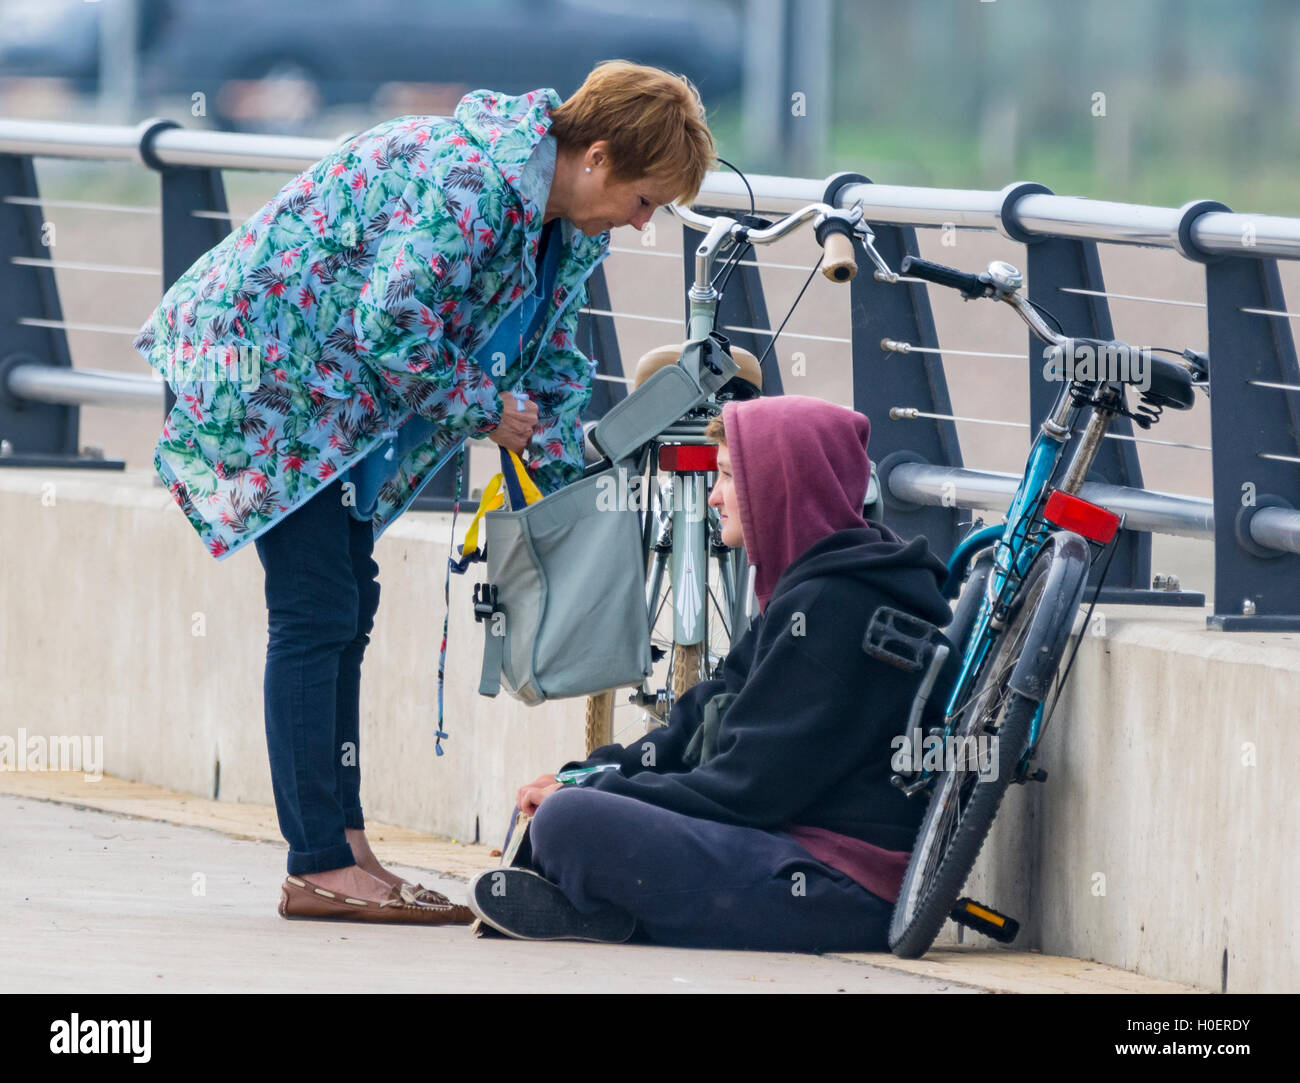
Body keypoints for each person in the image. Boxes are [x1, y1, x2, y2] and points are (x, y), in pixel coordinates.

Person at [131, 62, 715, 923]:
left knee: (347, 602)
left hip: (341, 396)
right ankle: (318, 864)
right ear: (595, 157)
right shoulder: (474, 184)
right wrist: (488, 409)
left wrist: (578, 496)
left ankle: (346, 845)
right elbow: (388, 325)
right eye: (643, 200)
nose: (641, 224)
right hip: (272, 378)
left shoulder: (566, 223)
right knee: (315, 607)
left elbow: (548, 365)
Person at [467, 394, 955, 951]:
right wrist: (584, 773)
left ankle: (599, 903)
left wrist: (596, 794)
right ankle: (602, 908)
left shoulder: (838, 604)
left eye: (727, 476)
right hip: (789, 852)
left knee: (569, 822)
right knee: (567, 805)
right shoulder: (812, 585)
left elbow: (751, 787)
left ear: (781, 485)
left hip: (838, 889)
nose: (715, 496)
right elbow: (698, 715)